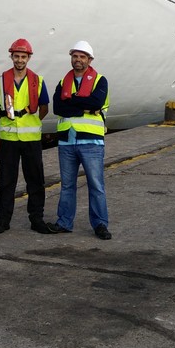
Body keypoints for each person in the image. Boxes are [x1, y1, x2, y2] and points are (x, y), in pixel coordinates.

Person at [48, 41, 112, 240]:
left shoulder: (100, 81)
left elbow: (96, 102)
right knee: (67, 185)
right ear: (71, 58)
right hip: (67, 141)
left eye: (82, 56)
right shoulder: (62, 82)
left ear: (89, 60)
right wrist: (81, 105)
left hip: (91, 142)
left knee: (96, 185)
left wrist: (72, 100)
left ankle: (100, 224)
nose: (78, 60)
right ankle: (64, 222)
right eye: (75, 56)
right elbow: (58, 107)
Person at [0, 38, 54, 234]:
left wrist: (30, 123)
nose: (19, 60)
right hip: (9, 139)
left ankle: (37, 219)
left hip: (31, 140)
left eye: (23, 56)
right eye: (16, 56)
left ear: (29, 58)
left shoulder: (38, 81)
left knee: (35, 181)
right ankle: (3, 220)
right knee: (6, 182)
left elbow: (44, 108)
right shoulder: (0, 81)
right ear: (11, 57)